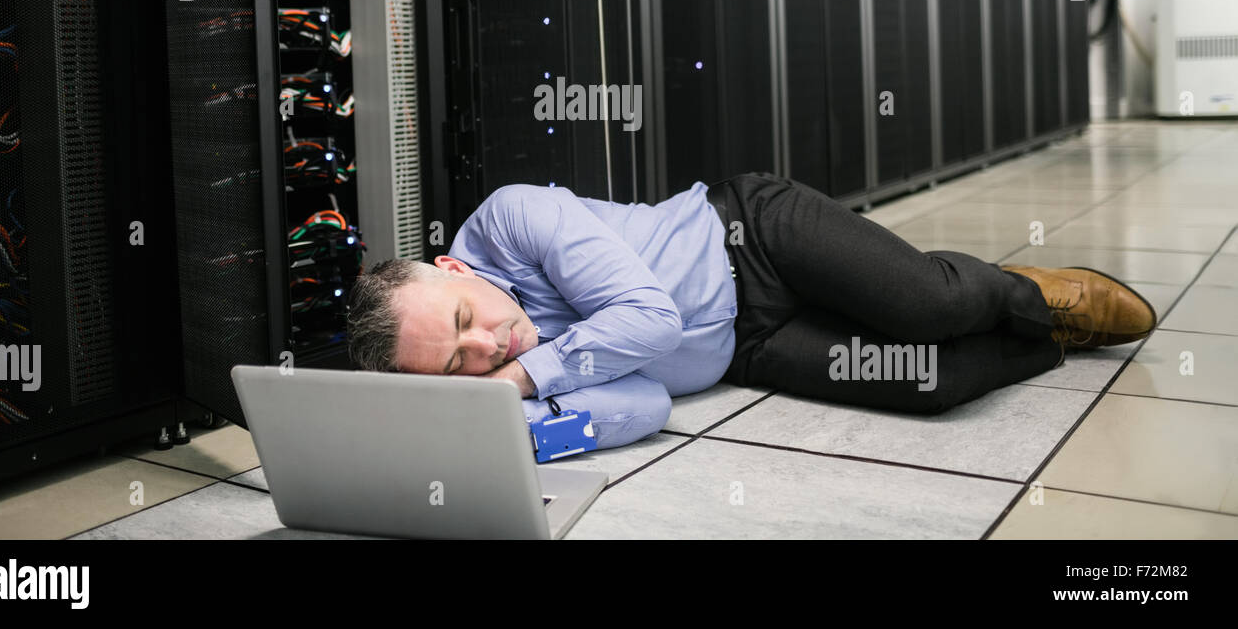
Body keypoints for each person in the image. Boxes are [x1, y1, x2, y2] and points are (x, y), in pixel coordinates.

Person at [345, 174, 1157, 450]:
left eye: (462, 320)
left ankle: (1025, 290)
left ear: (452, 267)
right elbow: (648, 402)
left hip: (753, 238)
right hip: (747, 345)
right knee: (929, 383)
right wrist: (512, 423)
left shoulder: (515, 216)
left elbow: (651, 321)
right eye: (461, 364)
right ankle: (1049, 333)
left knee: (926, 305)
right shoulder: (509, 384)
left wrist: (525, 376)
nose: (489, 343)